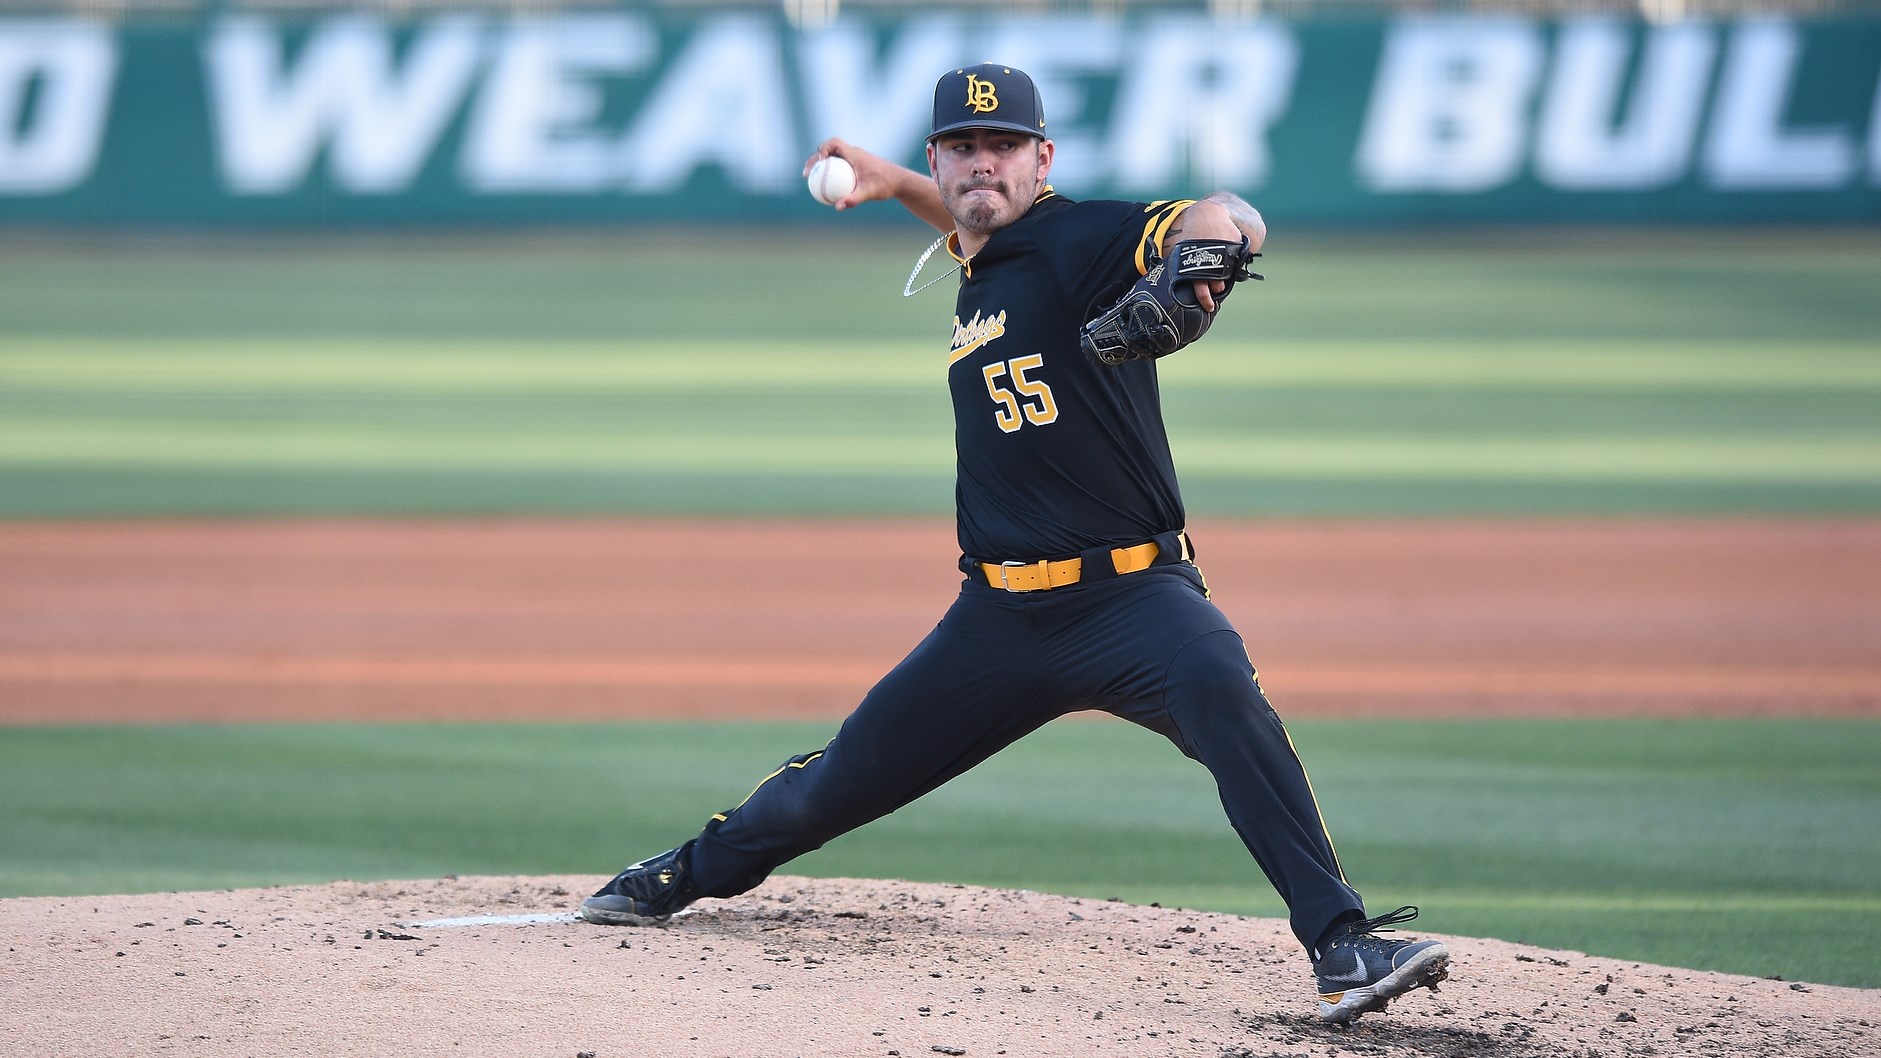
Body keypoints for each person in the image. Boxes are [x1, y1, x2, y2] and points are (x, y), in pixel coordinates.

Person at [581, 62, 1449, 1026]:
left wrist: (1198, 277)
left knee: (1226, 702)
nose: (981, 163)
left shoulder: (1082, 235)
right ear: (939, 159)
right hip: (995, 621)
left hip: (1133, 602)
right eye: (961, 148)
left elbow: (1226, 212)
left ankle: (1341, 942)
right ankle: (685, 873)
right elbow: (974, 228)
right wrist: (889, 182)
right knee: (830, 789)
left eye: (1002, 146)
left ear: (1043, 157)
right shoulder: (983, 254)